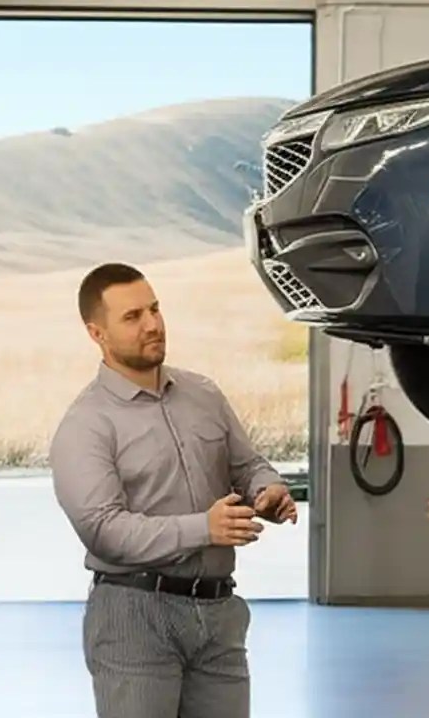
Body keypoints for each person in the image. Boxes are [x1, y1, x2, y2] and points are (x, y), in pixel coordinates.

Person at [50, 262, 298, 718]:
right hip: (134, 616)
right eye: (132, 317)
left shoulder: (203, 394)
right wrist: (204, 528)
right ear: (96, 333)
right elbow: (104, 531)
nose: (153, 324)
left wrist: (268, 491)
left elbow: (248, 466)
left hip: (219, 616)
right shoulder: (85, 426)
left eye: (155, 309)